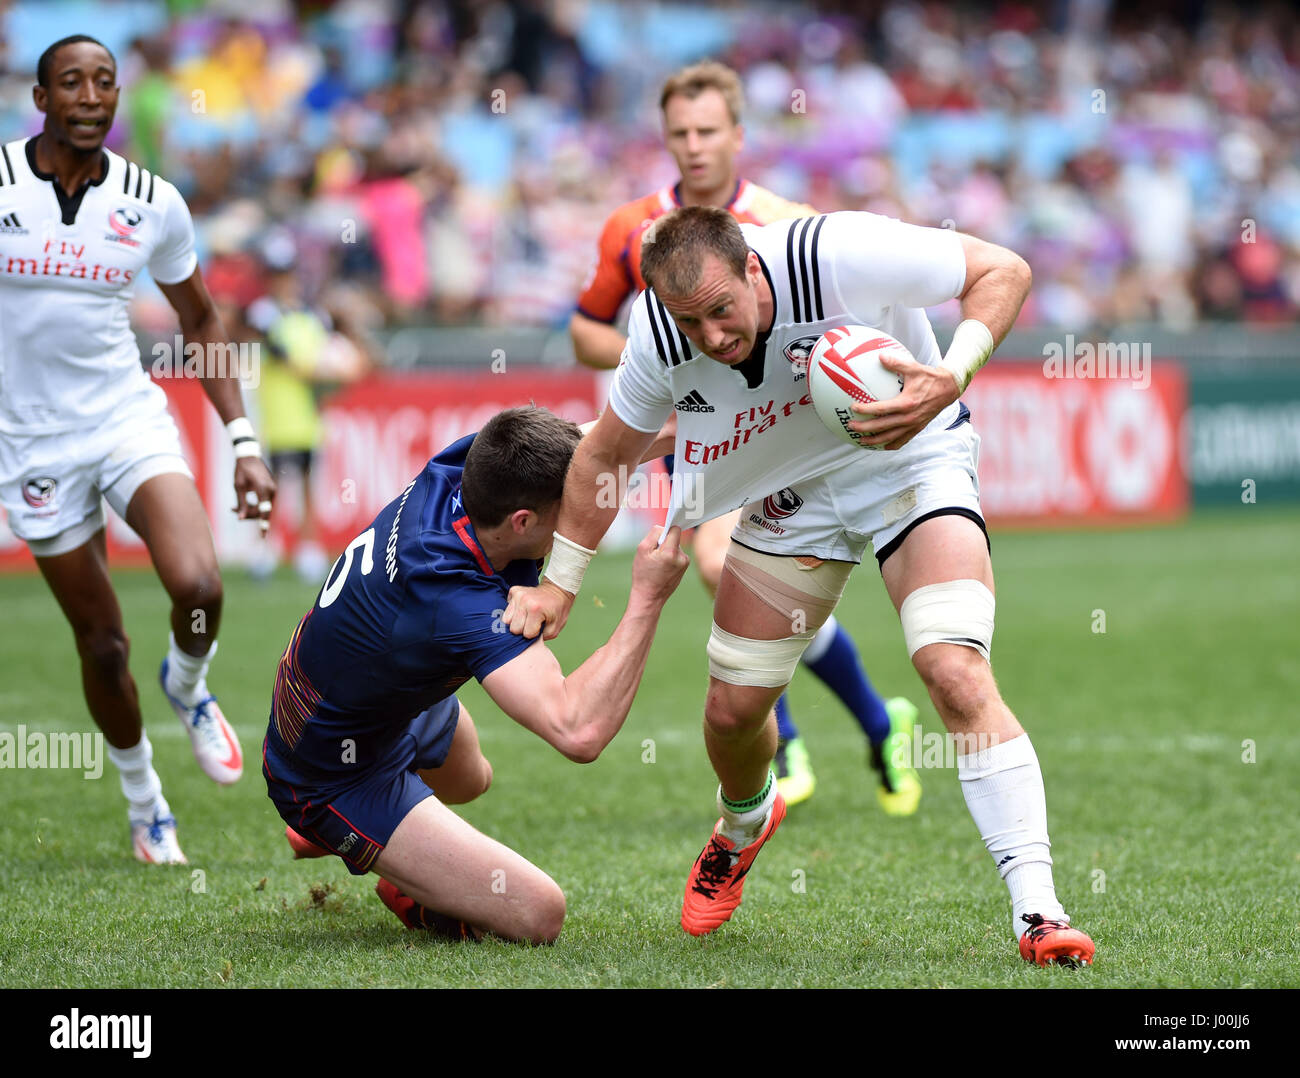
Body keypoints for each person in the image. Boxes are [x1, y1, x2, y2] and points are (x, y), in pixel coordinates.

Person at [505, 206, 1097, 967]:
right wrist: (559, 584)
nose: (712, 337)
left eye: (722, 310)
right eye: (692, 324)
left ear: (754, 268)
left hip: (910, 461)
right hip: (794, 493)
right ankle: (744, 822)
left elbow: (1003, 269)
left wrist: (951, 371)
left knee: (952, 667)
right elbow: (604, 456)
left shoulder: (838, 252)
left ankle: (1040, 913)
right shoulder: (657, 332)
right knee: (731, 711)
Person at [570, 60, 919, 814]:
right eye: (678, 134)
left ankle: (786, 737)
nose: (693, 146)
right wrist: (656, 357)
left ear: (737, 134)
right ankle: (872, 719)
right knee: (721, 570)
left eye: (707, 131)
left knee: (720, 562)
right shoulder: (632, 228)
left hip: (777, 427)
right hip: (690, 428)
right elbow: (585, 330)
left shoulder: (782, 218)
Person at [0, 36, 276, 864]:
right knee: (103, 644)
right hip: (32, 443)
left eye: (106, 83)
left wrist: (244, 441)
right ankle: (144, 797)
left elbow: (200, 320)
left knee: (197, 584)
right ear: (42, 97)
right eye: (72, 83)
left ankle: (188, 684)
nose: (91, 96)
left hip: (125, 420)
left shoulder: (152, 200)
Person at [264, 407, 688, 943]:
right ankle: (369, 852)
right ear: (523, 522)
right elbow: (578, 729)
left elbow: (616, 443)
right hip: (327, 769)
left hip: (365, 697)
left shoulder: (469, 463)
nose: (580, 519)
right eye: (570, 510)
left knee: (472, 778)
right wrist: (648, 598)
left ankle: (378, 843)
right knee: (539, 914)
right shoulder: (458, 600)